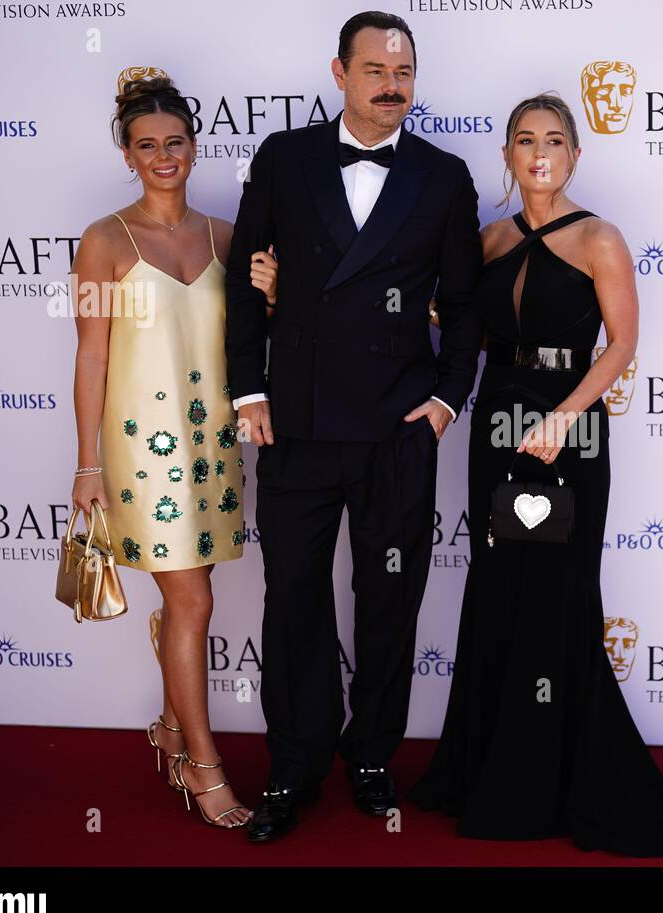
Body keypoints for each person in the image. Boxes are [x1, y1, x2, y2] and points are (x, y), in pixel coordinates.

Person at [406, 93, 663, 856]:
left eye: (554, 140)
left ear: (576, 156)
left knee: (558, 596)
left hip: (567, 432)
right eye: (524, 140)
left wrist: (565, 418)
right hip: (497, 427)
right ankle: (492, 769)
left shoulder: (600, 239)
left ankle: (555, 777)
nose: (539, 152)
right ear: (509, 158)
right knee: (498, 591)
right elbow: (455, 320)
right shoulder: (488, 239)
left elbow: (620, 345)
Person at [224, 11, 482, 843]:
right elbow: (243, 284)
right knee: (293, 599)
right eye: (374, 70)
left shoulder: (444, 176)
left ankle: (371, 756)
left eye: (403, 72)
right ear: (339, 73)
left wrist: (445, 401)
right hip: (294, 425)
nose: (391, 86)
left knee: (390, 599)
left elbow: (467, 307)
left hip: (396, 432)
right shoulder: (284, 157)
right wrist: (246, 392)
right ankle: (294, 768)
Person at [70, 73, 279, 830]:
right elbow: (91, 357)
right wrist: (88, 463)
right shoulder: (103, 241)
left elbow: (256, 332)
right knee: (192, 601)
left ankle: (167, 728)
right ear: (127, 154)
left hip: (213, 447)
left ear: (194, 146)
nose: (164, 156)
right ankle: (203, 764)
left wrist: (275, 292)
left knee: (190, 602)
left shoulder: (229, 235)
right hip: (140, 452)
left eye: (175, 143)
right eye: (146, 146)